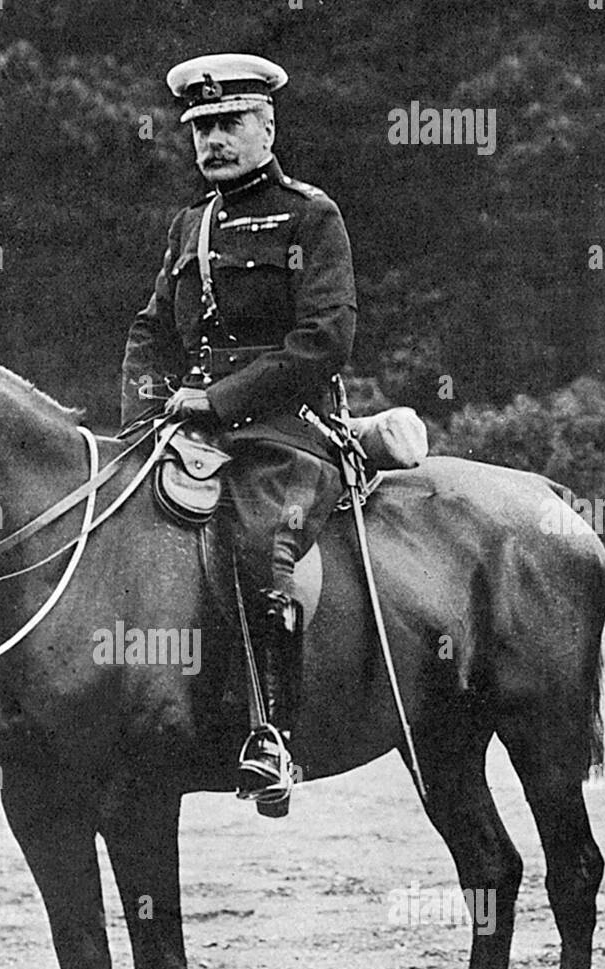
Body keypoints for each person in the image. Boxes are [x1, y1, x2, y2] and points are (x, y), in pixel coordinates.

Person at [121, 53, 357, 808]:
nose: (214, 141)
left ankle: (271, 735)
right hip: (188, 433)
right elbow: (151, 329)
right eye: (201, 128)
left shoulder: (309, 214)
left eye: (229, 125)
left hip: (285, 434)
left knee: (257, 544)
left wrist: (215, 403)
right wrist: (145, 411)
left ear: (266, 126)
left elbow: (323, 341)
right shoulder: (189, 224)